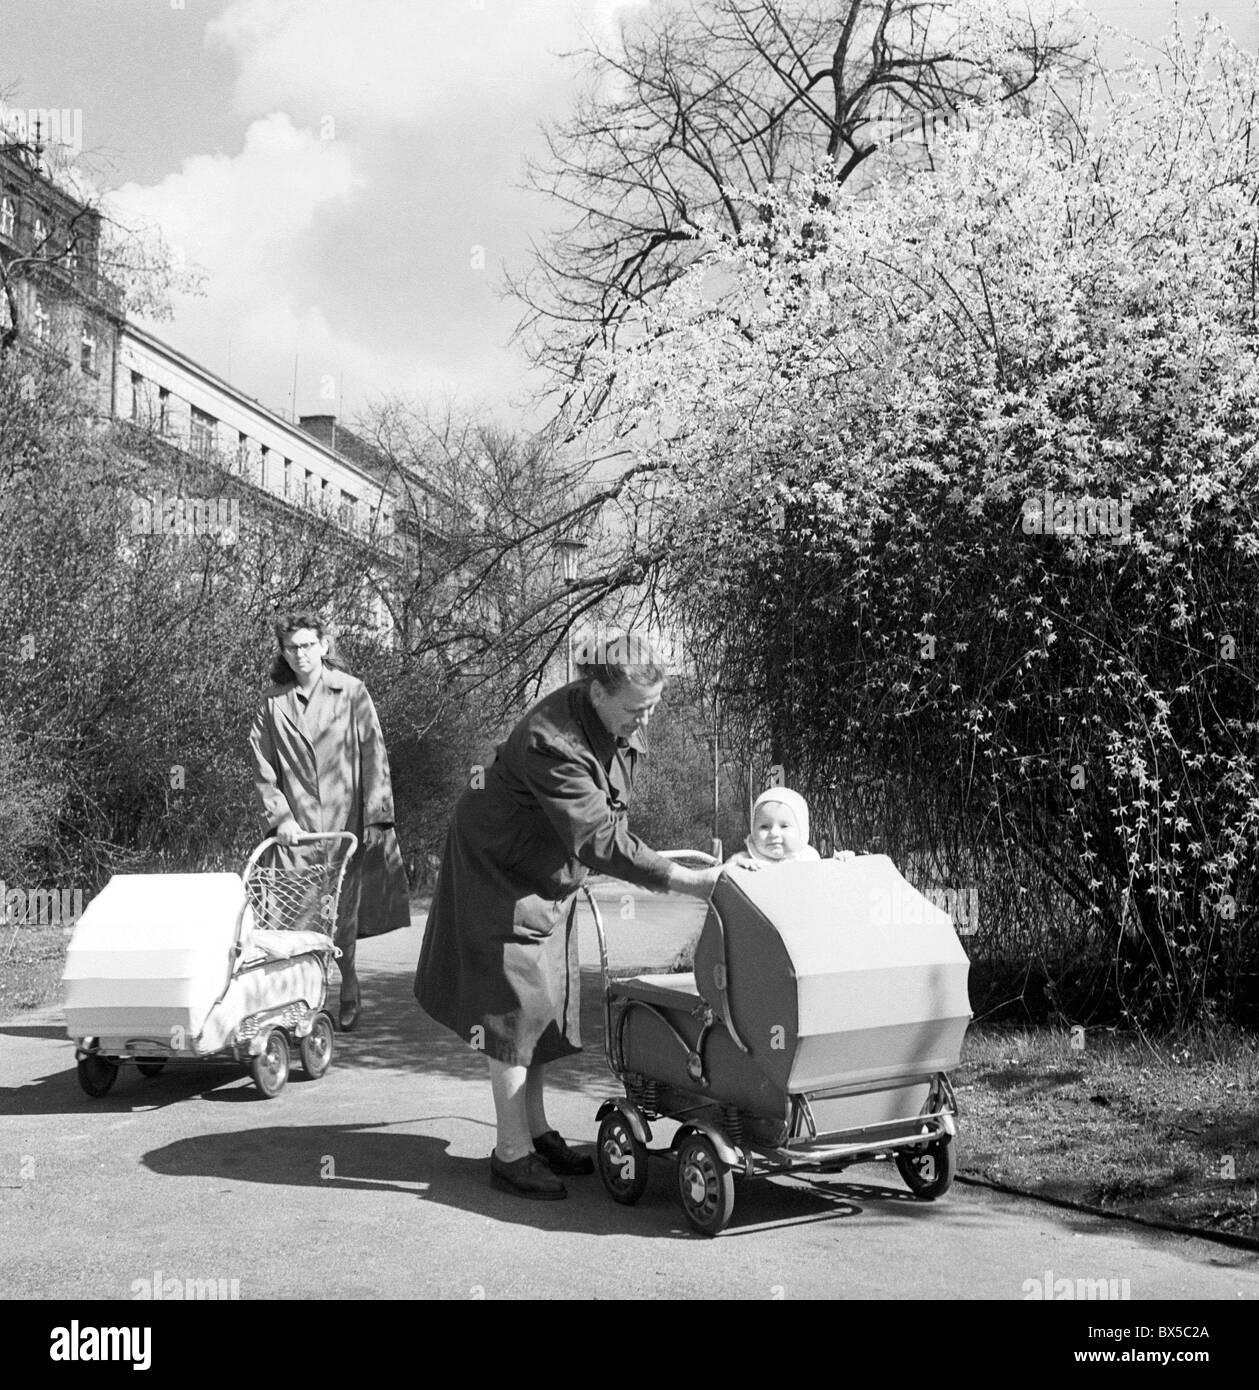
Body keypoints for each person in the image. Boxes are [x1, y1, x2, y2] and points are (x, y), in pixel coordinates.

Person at [414, 645, 722, 1201]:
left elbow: (608, 814)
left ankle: (536, 1133)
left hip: (546, 869)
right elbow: (599, 838)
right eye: (636, 709)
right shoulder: (551, 739)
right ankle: (510, 1154)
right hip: (499, 870)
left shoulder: (610, 717)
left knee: (547, 1001)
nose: (644, 720)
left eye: (652, 707)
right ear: (597, 691)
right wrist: (691, 881)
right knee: (513, 1008)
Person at [249, 612, 410, 1032]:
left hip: (345, 825)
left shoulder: (352, 692)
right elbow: (264, 769)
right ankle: (305, 999)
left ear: (324, 645)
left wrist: (378, 817)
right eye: (292, 647)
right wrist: (280, 817)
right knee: (296, 915)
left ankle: (350, 985)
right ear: (283, 653)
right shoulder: (272, 703)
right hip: (298, 832)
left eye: (307, 645)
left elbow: (375, 755)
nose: (300, 654)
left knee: (343, 915)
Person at [726, 786, 824, 869]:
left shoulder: (810, 860)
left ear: (802, 831)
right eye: (764, 826)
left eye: (784, 826)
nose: (774, 833)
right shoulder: (745, 861)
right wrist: (737, 870)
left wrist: (837, 866)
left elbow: (827, 884)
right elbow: (718, 879)